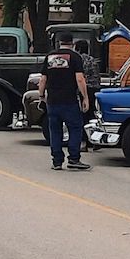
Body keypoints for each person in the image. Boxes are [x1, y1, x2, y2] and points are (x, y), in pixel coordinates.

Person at [40, 33, 90, 170]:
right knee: (75, 128)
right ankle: (73, 159)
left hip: (52, 100)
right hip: (69, 100)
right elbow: (80, 79)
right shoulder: (75, 57)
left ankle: (57, 161)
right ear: (72, 44)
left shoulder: (49, 57)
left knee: (55, 131)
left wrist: (41, 95)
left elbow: (43, 79)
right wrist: (85, 97)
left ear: (59, 43)